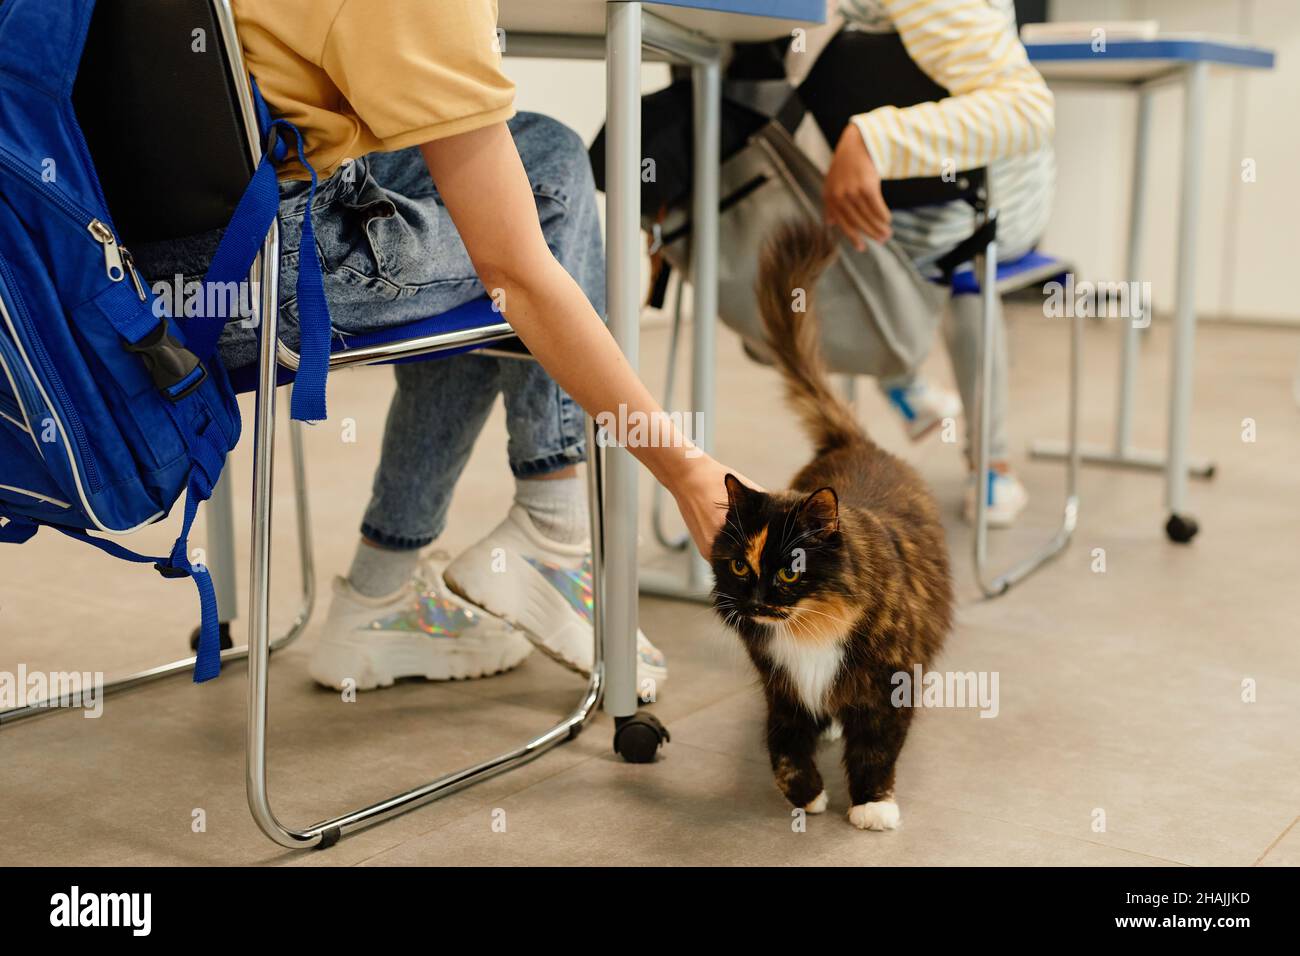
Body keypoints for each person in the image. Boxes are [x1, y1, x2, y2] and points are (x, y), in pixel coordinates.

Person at [136, 0, 745, 693]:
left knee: (540, 152)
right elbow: (515, 270)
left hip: (119, 283)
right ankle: (550, 529)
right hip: (260, 277)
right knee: (518, 227)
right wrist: (688, 471)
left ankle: (385, 588)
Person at [819, 0, 1056, 527]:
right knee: (954, 265)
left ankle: (972, 444)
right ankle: (983, 462)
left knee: (969, 269)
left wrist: (873, 139)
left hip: (980, 207)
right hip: (882, 218)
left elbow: (1026, 111)